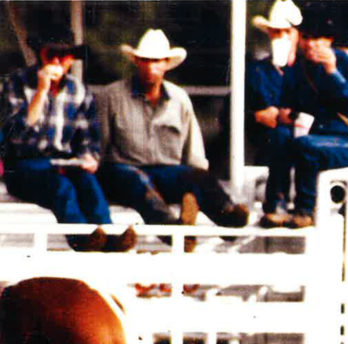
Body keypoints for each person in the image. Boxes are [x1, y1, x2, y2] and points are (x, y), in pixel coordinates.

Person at [96, 29, 249, 246]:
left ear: (166, 63)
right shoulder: (111, 95)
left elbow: (193, 150)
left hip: (166, 172)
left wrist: (197, 178)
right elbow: (99, 146)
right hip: (123, 171)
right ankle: (174, 232)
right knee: (136, 180)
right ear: (137, 61)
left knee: (198, 176)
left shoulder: (179, 99)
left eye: (156, 61)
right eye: (145, 60)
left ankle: (229, 218)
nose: (151, 67)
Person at [0, 25, 135, 252]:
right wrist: (42, 91)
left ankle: (108, 235)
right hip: (24, 165)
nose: (57, 61)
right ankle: (83, 239)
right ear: (41, 54)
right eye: (51, 54)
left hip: (65, 163)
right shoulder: (17, 83)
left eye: (64, 55)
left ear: (72, 58)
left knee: (89, 183)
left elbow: (88, 139)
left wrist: (89, 158)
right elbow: (14, 136)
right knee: (62, 188)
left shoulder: (79, 90)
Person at [271, 8, 348, 227]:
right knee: (280, 137)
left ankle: (305, 210)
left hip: (345, 142)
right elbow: (285, 104)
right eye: (306, 37)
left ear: (329, 40)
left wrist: (332, 72)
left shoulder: (347, 64)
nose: (311, 44)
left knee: (306, 146)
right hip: (314, 136)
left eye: (317, 38)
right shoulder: (298, 68)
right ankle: (275, 205)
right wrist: (285, 114)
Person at [247, 0, 303, 227]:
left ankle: (299, 206)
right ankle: (276, 203)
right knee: (279, 137)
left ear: (297, 35)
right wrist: (257, 116)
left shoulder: (307, 70)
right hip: (267, 140)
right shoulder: (256, 71)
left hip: (304, 135)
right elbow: (229, 114)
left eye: (286, 32)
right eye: (276, 32)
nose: (280, 37)